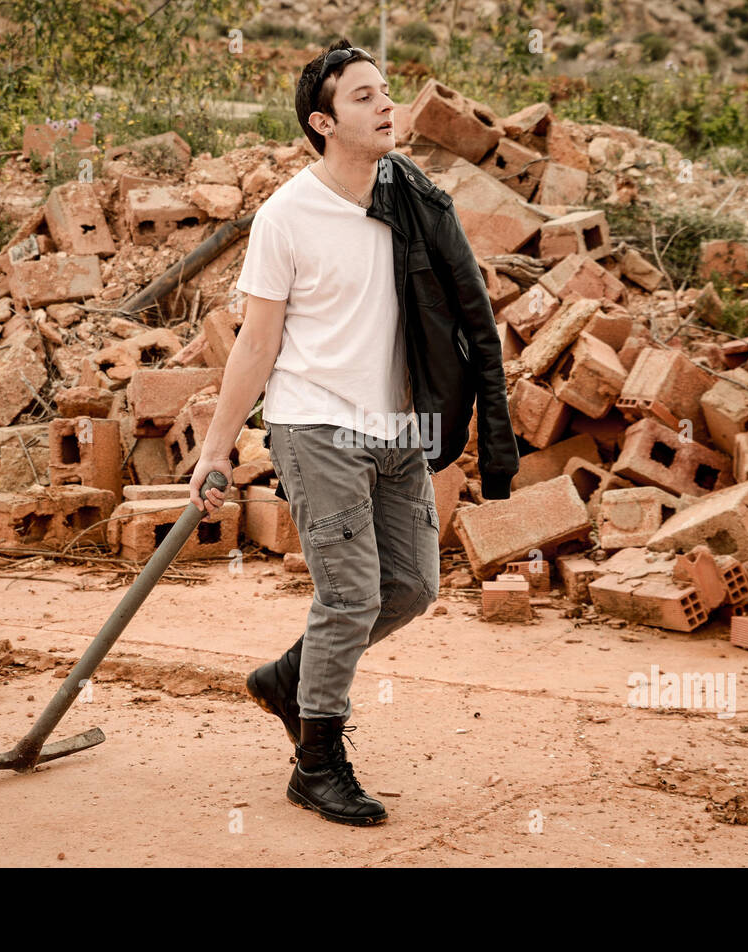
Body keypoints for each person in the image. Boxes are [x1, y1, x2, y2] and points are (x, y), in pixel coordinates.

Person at [187, 39, 518, 826]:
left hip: (396, 425)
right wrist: (216, 448)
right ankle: (317, 760)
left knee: (413, 587)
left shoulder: (408, 196)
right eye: (364, 97)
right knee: (350, 593)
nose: (386, 105)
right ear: (323, 121)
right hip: (316, 427)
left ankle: (290, 679)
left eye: (385, 91)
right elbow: (258, 345)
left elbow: (457, 308)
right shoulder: (285, 218)